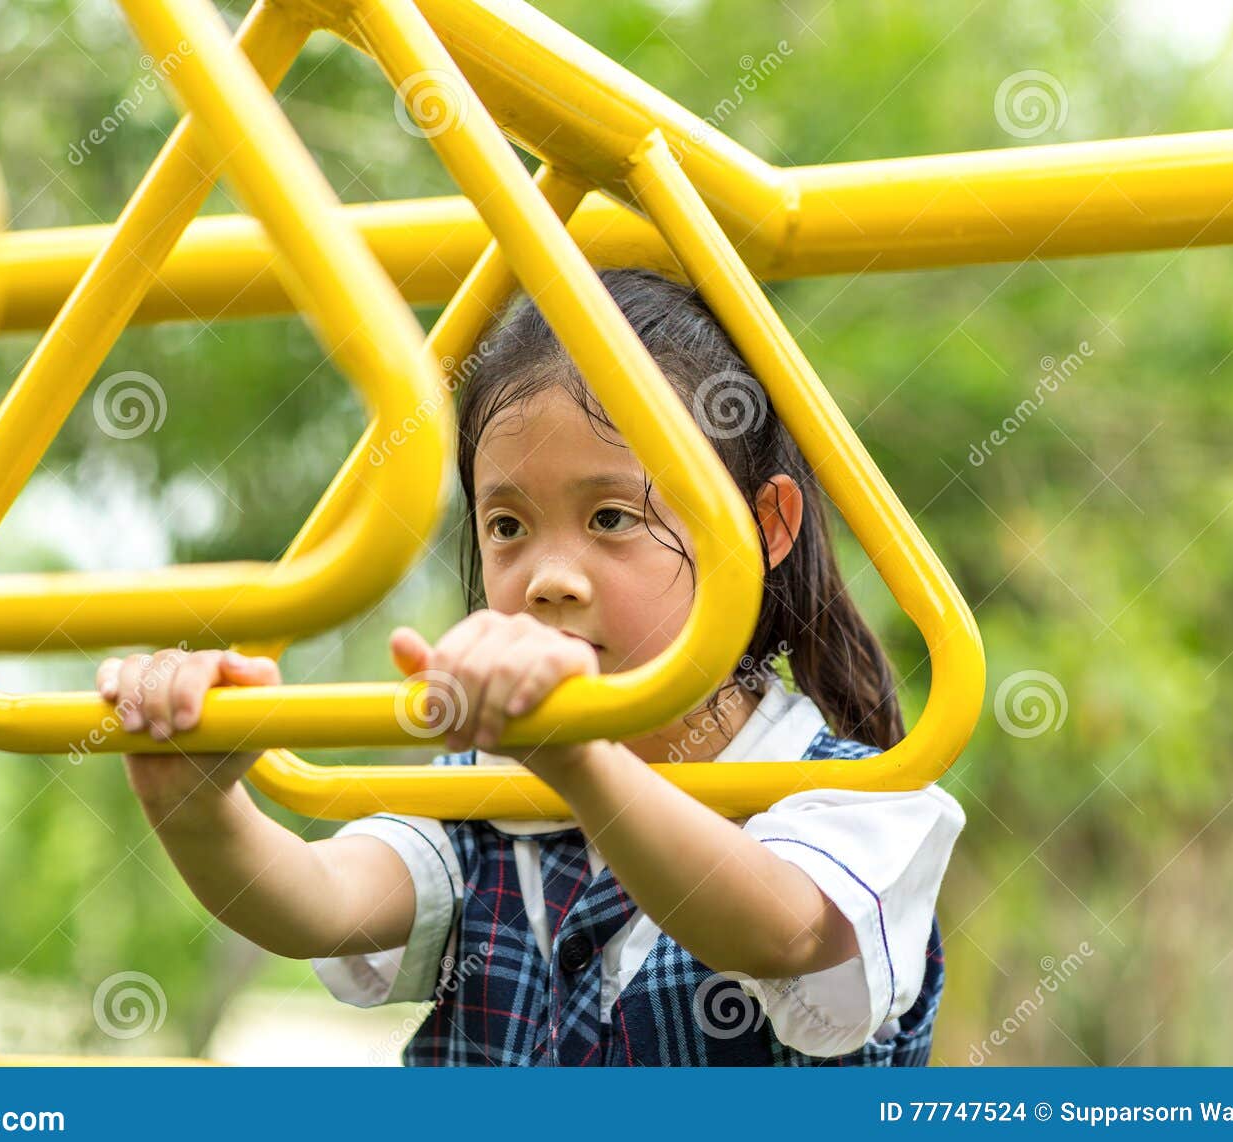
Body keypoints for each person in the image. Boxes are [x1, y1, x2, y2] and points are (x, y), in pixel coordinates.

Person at [99, 267, 965, 1066]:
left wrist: (576, 757)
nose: (549, 579)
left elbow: (782, 930)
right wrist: (195, 806)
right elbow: (315, 898)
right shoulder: (483, 793)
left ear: (766, 526)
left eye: (614, 517)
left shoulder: (860, 802)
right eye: (508, 526)